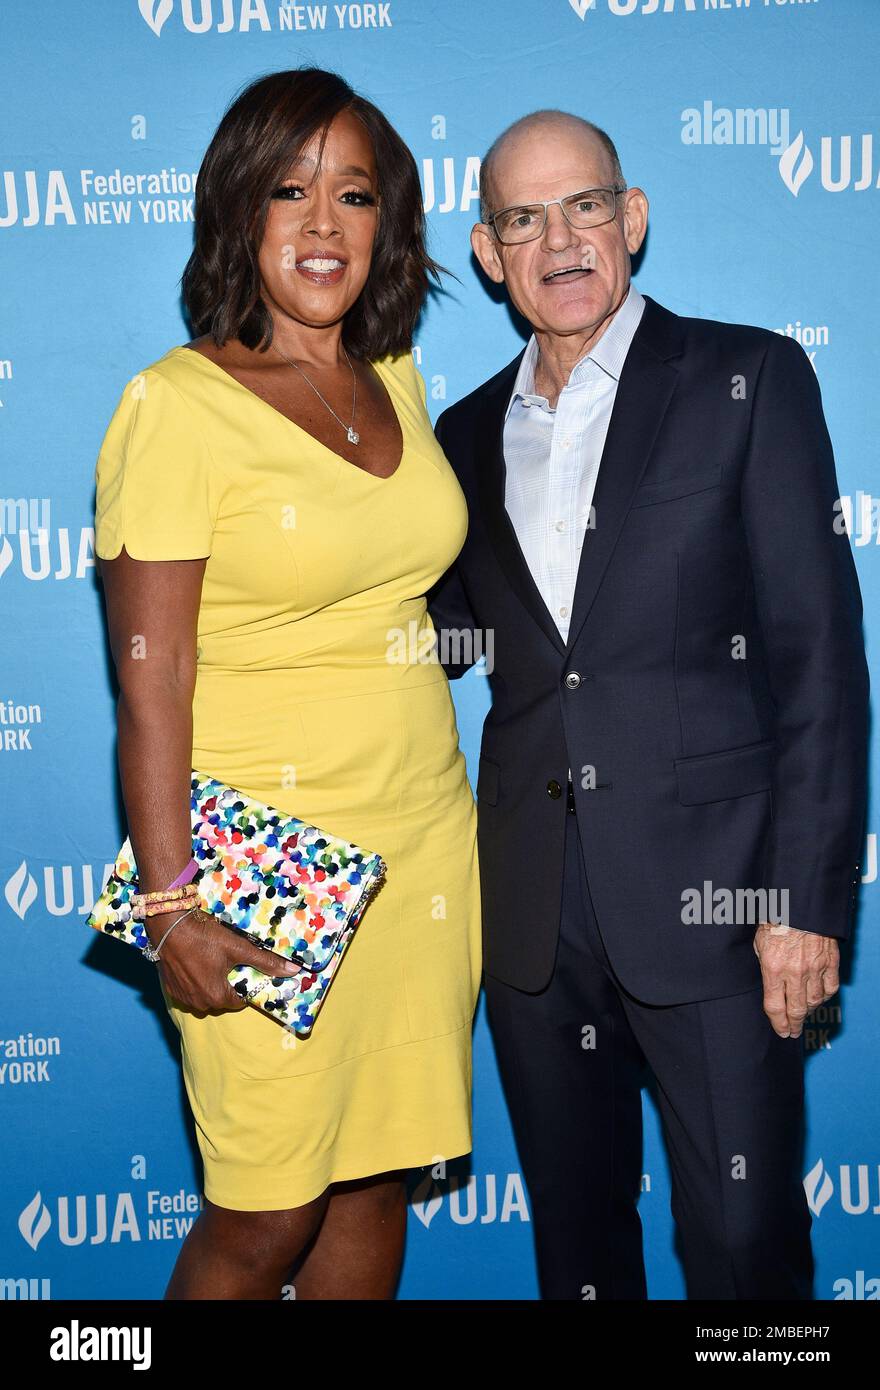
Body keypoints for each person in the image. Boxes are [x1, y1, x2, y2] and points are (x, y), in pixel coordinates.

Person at [427, 108, 869, 1300]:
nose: (559, 240)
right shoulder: (460, 436)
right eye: (523, 218)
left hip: (723, 906)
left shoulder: (746, 375)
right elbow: (445, 643)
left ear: (632, 218)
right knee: (576, 1254)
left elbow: (817, 656)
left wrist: (805, 902)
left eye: (584, 206)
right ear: (485, 250)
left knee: (742, 1248)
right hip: (531, 921)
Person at [93, 66, 481, 1300]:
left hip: (423, 847)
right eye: (289, 189)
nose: (323, 224)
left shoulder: (399, 380)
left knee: (374, 1181)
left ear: (388, 224)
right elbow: (151, 684)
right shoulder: (175, 405)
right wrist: (171, 904)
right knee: (264, 1212)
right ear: (236, 213)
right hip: (268, 871)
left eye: (354, 195)